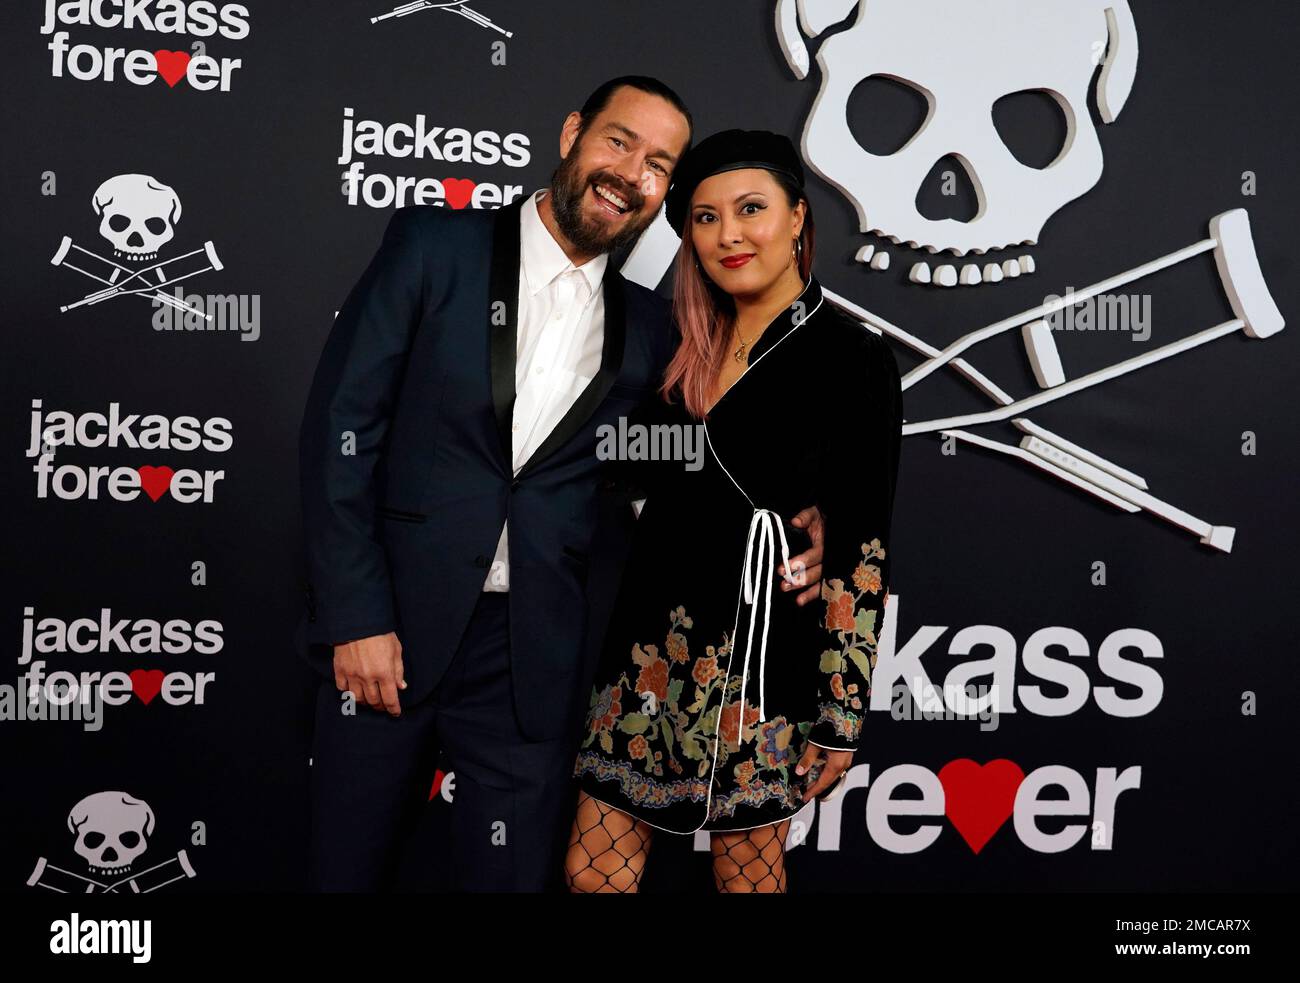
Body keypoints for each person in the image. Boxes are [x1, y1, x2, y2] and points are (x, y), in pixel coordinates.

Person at [296, 80, 826, 891]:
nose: (630, 173)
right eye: (618, 142)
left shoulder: (651, 328)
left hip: (531, 658)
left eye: (658, 164)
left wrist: (795, 522)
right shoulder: (436, 247)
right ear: (573, 133)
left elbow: (680, 465)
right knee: (343, 871)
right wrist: (356, 614)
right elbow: (342, 430)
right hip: (391, 631)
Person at [565, 130, 904, 893]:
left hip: (763, 647)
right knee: (594, 874)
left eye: (751, 209)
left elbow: (861, 548)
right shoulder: (674, 338)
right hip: (649, 633)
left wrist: (841, 715)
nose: (730, 235)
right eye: (706, 218)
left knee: (745, 873)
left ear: (796, 218)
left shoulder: (853, 358)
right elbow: (622, 468)